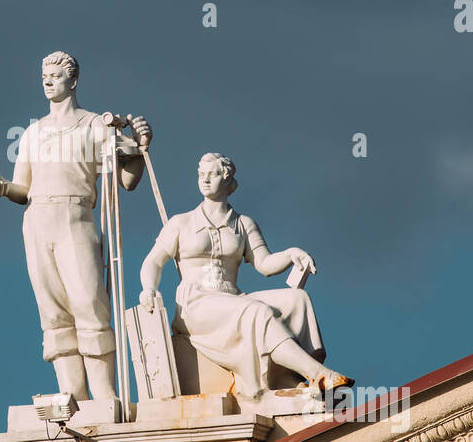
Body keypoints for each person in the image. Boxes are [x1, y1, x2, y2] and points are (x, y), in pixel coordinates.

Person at [0, 51, 151, 401]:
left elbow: (127, 180)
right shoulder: (32, 132)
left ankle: (104, 393)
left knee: (89, 302)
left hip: (75, 217)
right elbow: (23, 188)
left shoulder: (94, 125)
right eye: (44, 75)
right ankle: (72, 395)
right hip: (37, 220)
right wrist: (5, 188)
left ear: (72, 81)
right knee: (54, 311)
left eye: (55, 75)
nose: (47, 81)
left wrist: (140, 149)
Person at [138, 152, 352, 400]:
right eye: (201, 175)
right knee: (257, 311)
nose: (205, 180)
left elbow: (264, 263)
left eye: (213, 174)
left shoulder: (243, 224)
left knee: (296, 299)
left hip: (232, 297)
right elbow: (153, 261)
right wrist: (149, 289)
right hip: (195, 304)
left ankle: (287, 378)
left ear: (228, 182)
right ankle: (317, 373)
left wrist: (290, 253)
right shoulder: (181, 222)